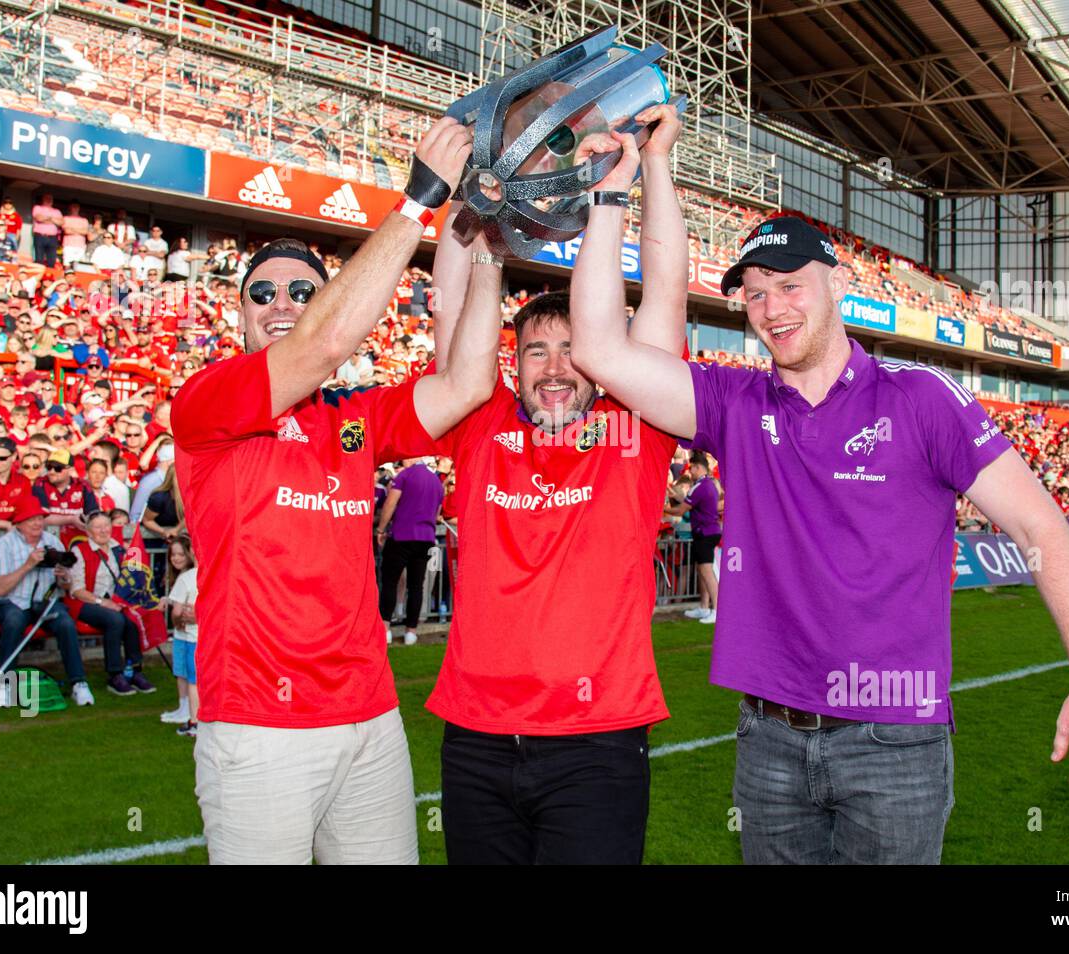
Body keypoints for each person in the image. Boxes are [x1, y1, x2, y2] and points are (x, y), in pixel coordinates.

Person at [568, 211, 1069, 865]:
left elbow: (1042, 529)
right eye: (753, 291)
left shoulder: (922, 399)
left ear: (836, 283)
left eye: (789, 285)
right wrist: (612, 191)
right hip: (768, 738)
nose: (770, 308)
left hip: (894, 742)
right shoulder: (734, 403)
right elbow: (598, 350)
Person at [171, 115, 497, 865]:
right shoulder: (208, 401)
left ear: (329, 295)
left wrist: (485, 250)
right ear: (239, 313)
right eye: (263, 293)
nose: (281, 302)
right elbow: (320, 344)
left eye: (302, 289)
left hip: (370, 715)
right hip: (257, 724)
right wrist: (418, 201)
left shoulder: (354, 416)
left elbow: (470, 383)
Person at [419, 104, 686, 865]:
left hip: (595, 744)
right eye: (536, 351)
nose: (556, 368)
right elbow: (451, 309)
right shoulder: (481, 425)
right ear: (514, 365)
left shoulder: (634, 433)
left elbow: (663, 299)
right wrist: (479, 203)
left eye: (574, 349)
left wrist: (655, 167)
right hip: (475, 740)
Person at [0, 497, 92, 705]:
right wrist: (28, 565)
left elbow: (65, 585)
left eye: (40, 519)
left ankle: (78, 683)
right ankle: (4, 683)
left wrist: (64, 576)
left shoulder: (52, 542)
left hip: (46, 600)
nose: (37, 523)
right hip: (13, 601)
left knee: (65, 624)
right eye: (31, 520)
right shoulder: (4, 545)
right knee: (13, 621)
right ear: (19, 523)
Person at [66, 510, 153, 695]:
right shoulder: (79, 551)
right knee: (115, 620)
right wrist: (102, 602)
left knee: (132, 620)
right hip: (86, 602)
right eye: (98, 527)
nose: (103, 530)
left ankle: (134, 670)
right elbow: (77, 590)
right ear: (88, 531)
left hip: (115, 603)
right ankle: (114, 674)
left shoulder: (118, 549)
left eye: (106, 526)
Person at [376, 457, 443, 646]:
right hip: (425, 537)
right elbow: (437, 513)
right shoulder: (436, 482)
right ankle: (411, 632)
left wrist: (381, 529)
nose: (402, 461)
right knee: (416, 586)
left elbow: (390, 503)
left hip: (402, 535)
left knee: (390, 582)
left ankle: (385, 628)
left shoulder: (405, 475)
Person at [676, 451, 721, 623]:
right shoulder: (708, 484)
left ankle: (716, 610)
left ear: (698, 467)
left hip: (705, 533)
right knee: (703, 571)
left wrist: (663, 510)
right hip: (707, 532)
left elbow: (681, 510)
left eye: (691, 468)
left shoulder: (700, 486)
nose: (690, 472)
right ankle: (704, 607)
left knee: (707, 572)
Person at [163, 534, 199, 736]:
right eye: (172, 554)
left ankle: (195, 721)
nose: (176, 558)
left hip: (192, 637)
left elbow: (177, 612)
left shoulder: (188, 578)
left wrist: (178, 623)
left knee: (194, 681)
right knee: (189, 676)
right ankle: (189, 712)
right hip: (197, 637)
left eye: (181, 553)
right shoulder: (212, 574)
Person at [33, 448, 98, 547]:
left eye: (58, 468)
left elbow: (94, 515)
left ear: (70, 469)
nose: (52, 471)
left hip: (77, 541)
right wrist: (71, 519)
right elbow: (40, 518)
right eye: (49, 467)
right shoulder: (40, 484)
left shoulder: (82, 486)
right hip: (47, 543)